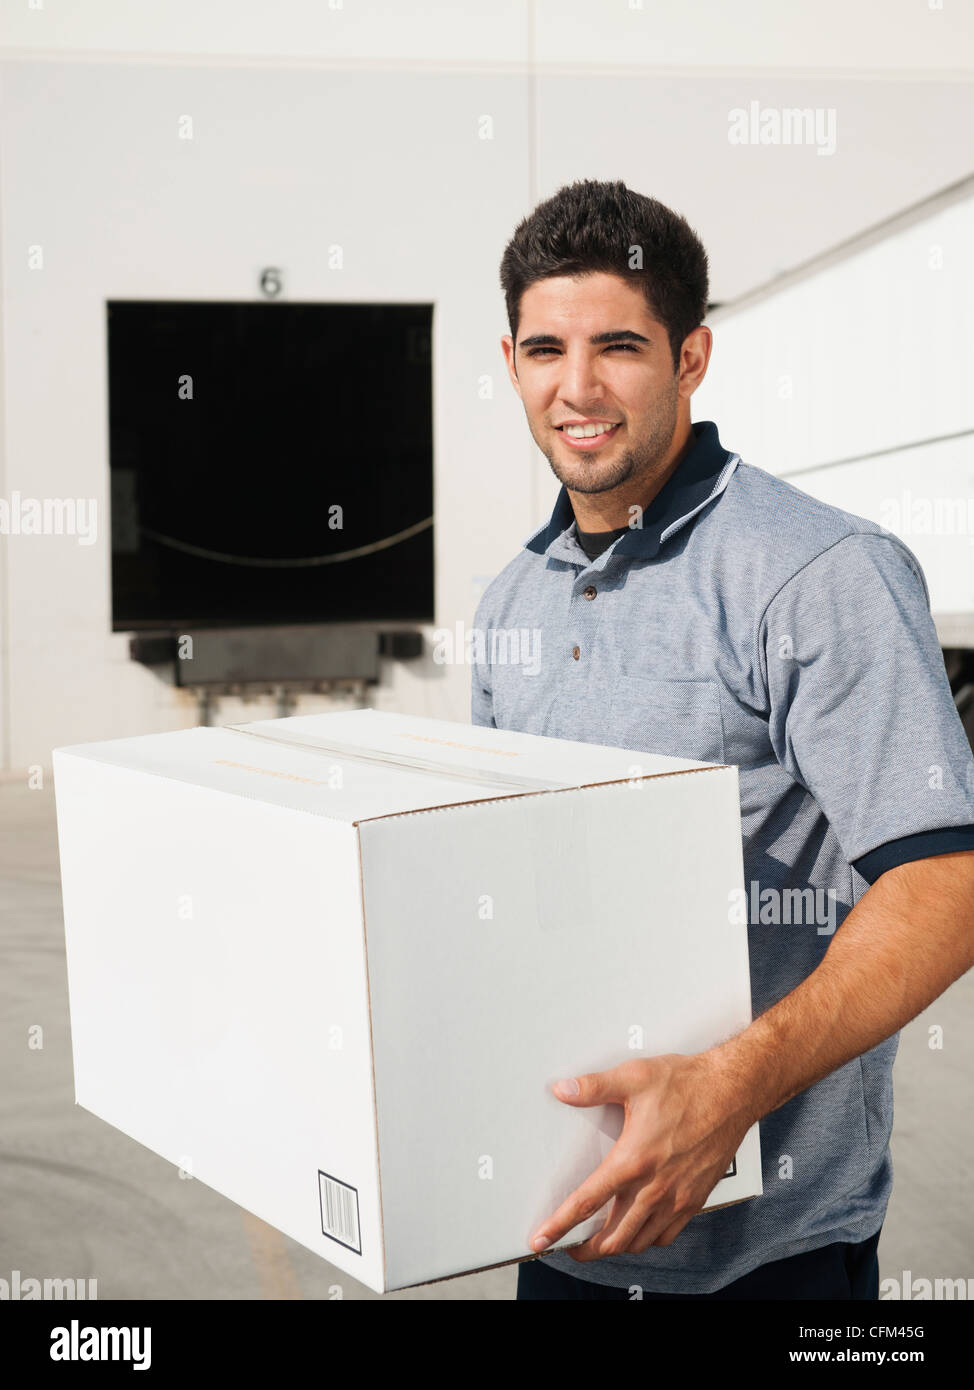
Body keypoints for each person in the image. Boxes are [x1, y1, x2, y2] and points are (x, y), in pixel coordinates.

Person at [471, 178, 974, 1300]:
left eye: (619, 347)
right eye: (545, 349)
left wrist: (729, 1088)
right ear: (509, 362)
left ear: (690, 358)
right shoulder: (508, 602)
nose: (578, 387)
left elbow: (945, 884)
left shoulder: (815, 573)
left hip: (769, 1255)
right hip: (561, 1230)